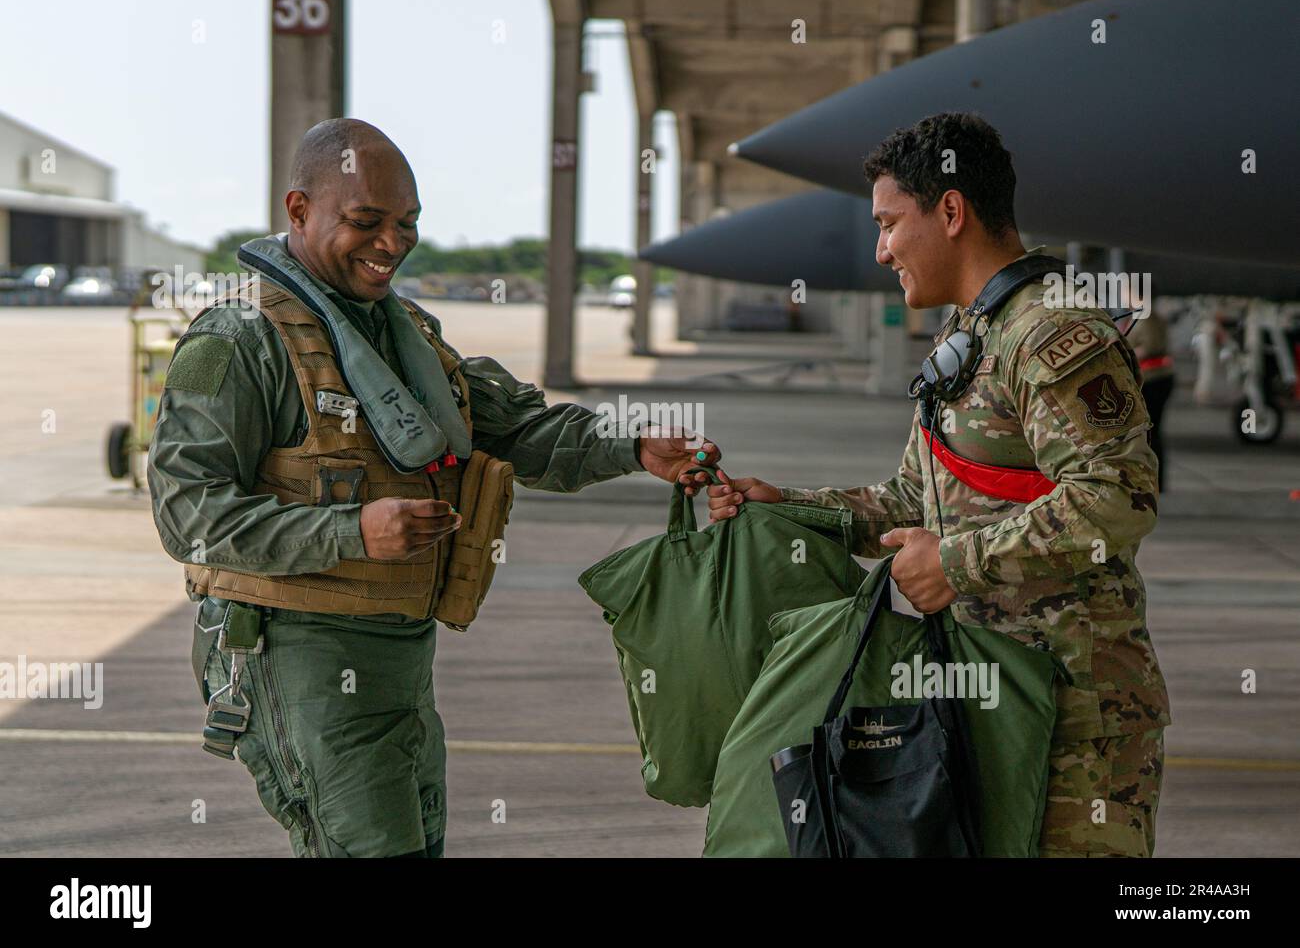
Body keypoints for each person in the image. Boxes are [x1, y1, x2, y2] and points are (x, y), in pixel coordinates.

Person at [148, 118, 718, 857]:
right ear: (298, 211)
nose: (392, 243)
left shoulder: (408, 332)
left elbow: (514, 428)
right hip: (299, 657)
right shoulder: (237, 339)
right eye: (366, 222)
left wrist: (636, 448)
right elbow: (185, 513)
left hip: (401, 659)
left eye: (407, 224)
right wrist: (353, 532)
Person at [684, 113, 1171, 857]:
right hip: (990, 690)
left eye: (888, 224)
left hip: (1079, 708)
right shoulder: (969, 338)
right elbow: (912, 501)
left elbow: (1117, 499)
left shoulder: (1050, 336)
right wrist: (791, 505)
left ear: (950, 211)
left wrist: (955, 563)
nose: (881, 249)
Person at [1126, 305, 1175, 492]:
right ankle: (1153, 480)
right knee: (1152, 431)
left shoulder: (1147, 318)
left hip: (1153, 378)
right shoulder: (1147, 315)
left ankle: (1153, 480)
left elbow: (1151, 347)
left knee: (1151, 431)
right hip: (1155, 377)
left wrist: (1124, 352)